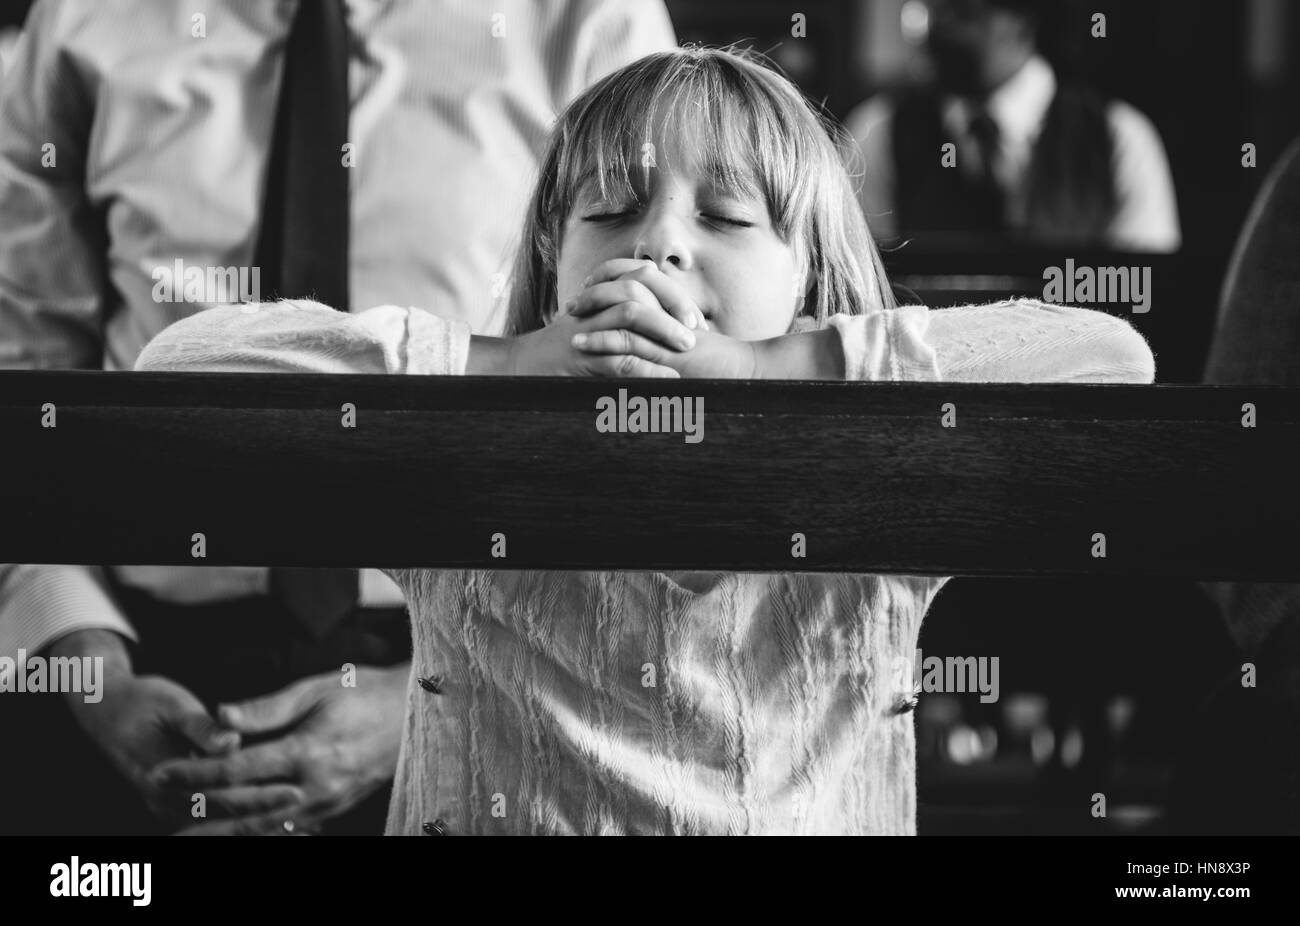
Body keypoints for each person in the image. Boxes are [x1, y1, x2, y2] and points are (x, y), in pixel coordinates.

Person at [135, 46, 1155, 835]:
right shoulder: (469, 448)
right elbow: (182, 368)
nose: (658, 241)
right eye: (613, 208)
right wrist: (503, 363)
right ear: (556, 257)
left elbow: (1110, 358)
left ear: (810, 282)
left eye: (725, 216)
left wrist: (770, 373)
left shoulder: (875, 458)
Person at [0, 0, 675, 835]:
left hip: (486, 675)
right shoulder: (82, 20)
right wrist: (83, 666)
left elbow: (633, 404)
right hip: (139, 655)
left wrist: (438, 697)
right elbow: (23, 390)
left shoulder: (591, 19)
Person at [845, 0, 1181, 251]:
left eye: (965, 13)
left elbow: (1145, 291)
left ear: (1022, 17)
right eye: (933, 10)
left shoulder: (1121, 138)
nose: (938, 28)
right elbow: (865, 288)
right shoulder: (876, 132)